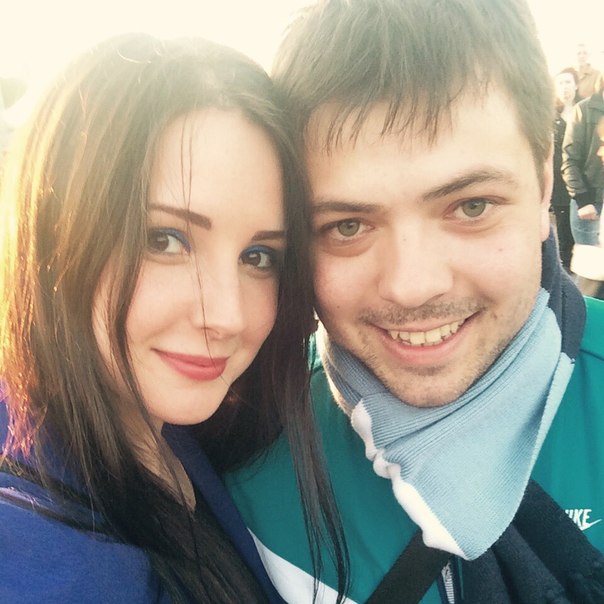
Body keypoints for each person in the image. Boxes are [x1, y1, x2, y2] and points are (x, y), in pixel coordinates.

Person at [226, 1, 604, 602]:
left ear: (542, 188)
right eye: (347, 226)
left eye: (471, 207)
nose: (412, 285)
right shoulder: (244, 455)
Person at [0, 33, 347, 603]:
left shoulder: (174, 431)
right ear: (54, 233)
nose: (227, 315)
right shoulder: (32, 555)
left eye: (259, 256)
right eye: (164, 239)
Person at [551, 67, 580, 271]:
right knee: (564, 232)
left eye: (568, 82)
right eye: (560, 83)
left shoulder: (586, 111)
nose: (565, 87)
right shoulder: (549, 116)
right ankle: (567, 273)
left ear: (576, 85)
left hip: (585, 184)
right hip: (559, 183)